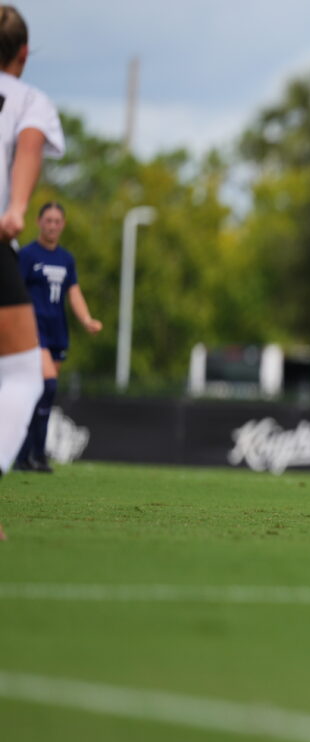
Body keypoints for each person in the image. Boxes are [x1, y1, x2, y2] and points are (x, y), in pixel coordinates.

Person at [0, 5, 66, 539]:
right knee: (24, 375)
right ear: (23, 53)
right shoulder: (27, 100)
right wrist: (18, 207)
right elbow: (28, 146)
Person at [14, 202, 101, 472]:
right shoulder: (27, 255)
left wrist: (86, 319)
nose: (52, 226)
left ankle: (30, 455)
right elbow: (14, 290)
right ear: (39, 222)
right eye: (48, 220)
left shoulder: (66, 259)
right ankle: (33, 454)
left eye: (57, 221)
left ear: (63, 225)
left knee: (43, 395)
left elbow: (73, 292)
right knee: (48, 384)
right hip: (33, 330)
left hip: (57, 331)